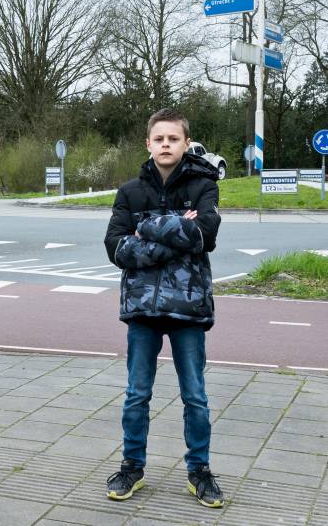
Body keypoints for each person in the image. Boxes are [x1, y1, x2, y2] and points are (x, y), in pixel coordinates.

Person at [103, 108, 224, 509]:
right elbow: (116, 248)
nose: (166, 144)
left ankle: (200, 472)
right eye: (160, 139)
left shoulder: (204, 185)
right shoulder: (129, 192)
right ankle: (132, 467)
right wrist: (177, 228)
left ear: (186, 143)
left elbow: (204, 235)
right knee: (137, 394)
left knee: (195, 396)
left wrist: (148, 226)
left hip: (188, 309)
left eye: (174, 138)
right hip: (143, 310)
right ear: (148, 143)